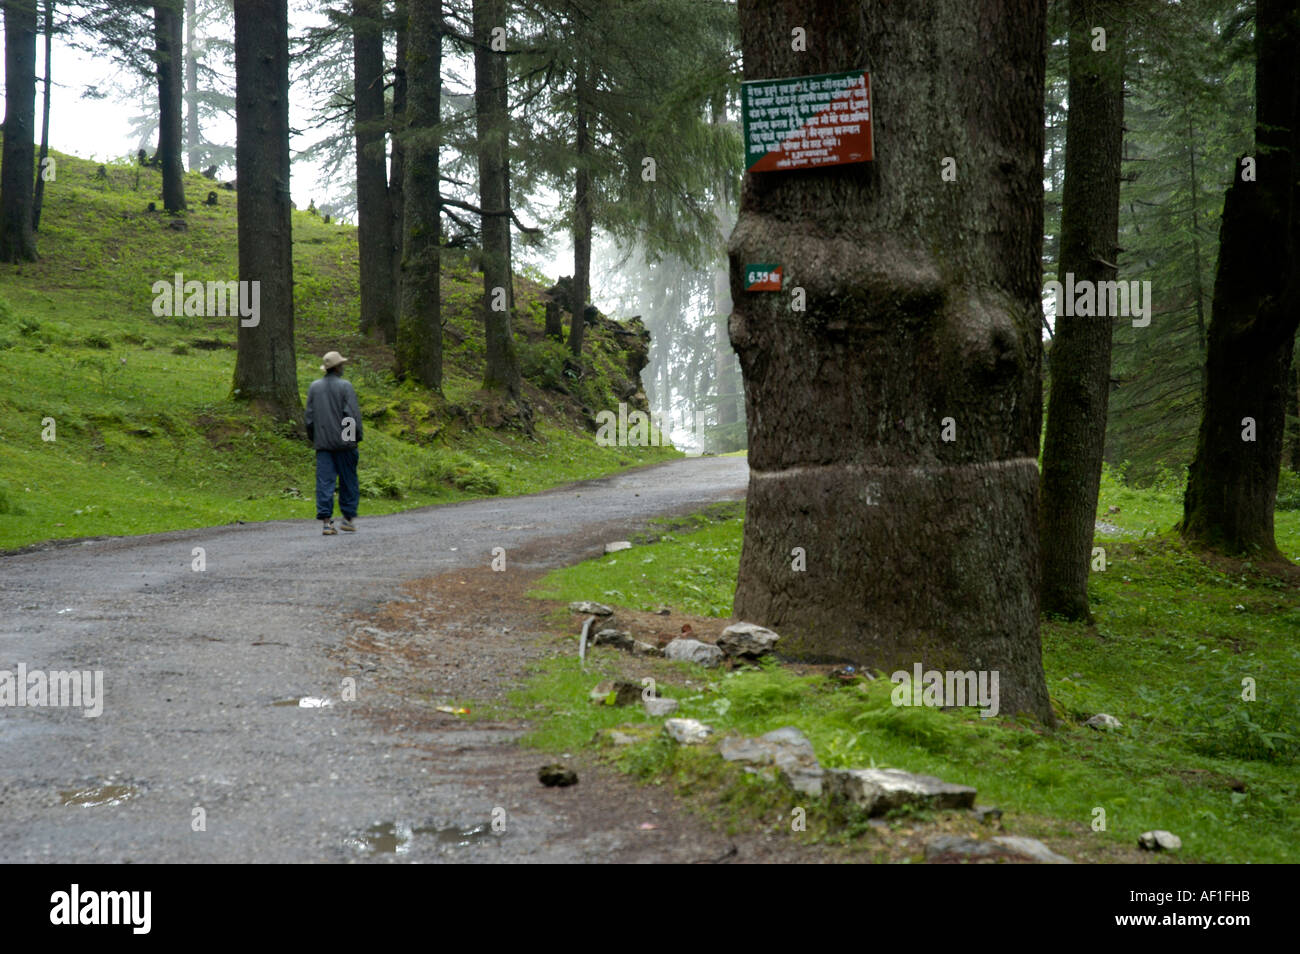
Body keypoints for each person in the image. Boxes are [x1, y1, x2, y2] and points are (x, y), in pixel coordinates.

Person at [304, 351, 363, 535]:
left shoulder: (314, 387)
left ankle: (327, 523)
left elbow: (309, 418)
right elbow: (351, 415)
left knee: (324, 482)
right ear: (338, 367)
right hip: (344, 444)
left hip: (323, 445)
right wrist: (353, 438)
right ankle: (347, 519)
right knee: (348, 481)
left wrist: (315, 437)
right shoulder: (345, 387)